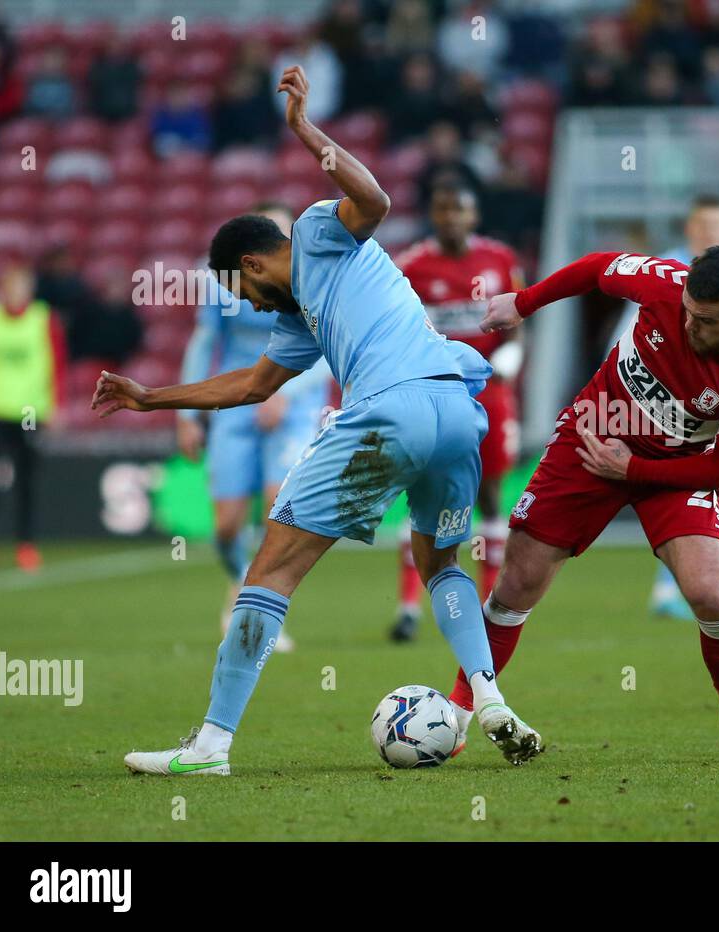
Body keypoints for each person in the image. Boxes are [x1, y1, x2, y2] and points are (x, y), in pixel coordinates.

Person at [92, 65, 542, 775]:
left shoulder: (316, 233)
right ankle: (486, 697)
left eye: (243, 292)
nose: (252, 307)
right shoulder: (304, 315)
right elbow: (249, 384)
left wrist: (304, 130)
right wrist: (152, 398)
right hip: (457, 412)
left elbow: (376, 197)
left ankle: (211, 746)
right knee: (441, 560)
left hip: (388, 415)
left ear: (249, 263)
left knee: (268, 572)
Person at [443, 244, 719, 764]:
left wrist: (634, 470)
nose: (691, 326)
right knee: (517, 582)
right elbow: (599, 267)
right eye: (688, 313)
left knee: (711, 594)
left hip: (674, 471)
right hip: (593, 435)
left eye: (708, 321)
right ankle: (460, 713)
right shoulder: (666, 285)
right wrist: (525, 302)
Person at [178, 203, 334, 651]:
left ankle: (262, 610)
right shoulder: (225, 282)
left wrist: (286, 393)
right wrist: (187, 416)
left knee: (276, 509)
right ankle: (238, 582)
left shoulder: (310, 280)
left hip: (294, 406)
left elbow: (328, 352)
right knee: (227, 525)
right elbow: (204, 341)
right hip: (237, 403)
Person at [389, 180, 525, 641]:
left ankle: (491, 603)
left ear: (474, 214)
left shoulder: (501, 261)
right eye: (442, 210)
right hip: (434, 395)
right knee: (423, 493)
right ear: (433, 214)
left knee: (489, 495)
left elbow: (517, 321)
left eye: (458, 209)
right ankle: (409, 607)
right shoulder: (410, 266)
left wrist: (510, 357)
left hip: (489, 391)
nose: (450, 218)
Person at [634, 195, 719, 620]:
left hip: (713, 407)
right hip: (664, 404)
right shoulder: (669, 272)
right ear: (690, 230)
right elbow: (634, 332)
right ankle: (671, 587)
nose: (711, 233)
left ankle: (718, 581)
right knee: (680, 494)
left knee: (715, 491)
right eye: (703, 226)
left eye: (718, 226)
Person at [0, 264, 67, 573]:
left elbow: (57, 363)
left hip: (30, 411)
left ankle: (26, 544)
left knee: (25, 481)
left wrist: (56, 405)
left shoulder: (43, 319)